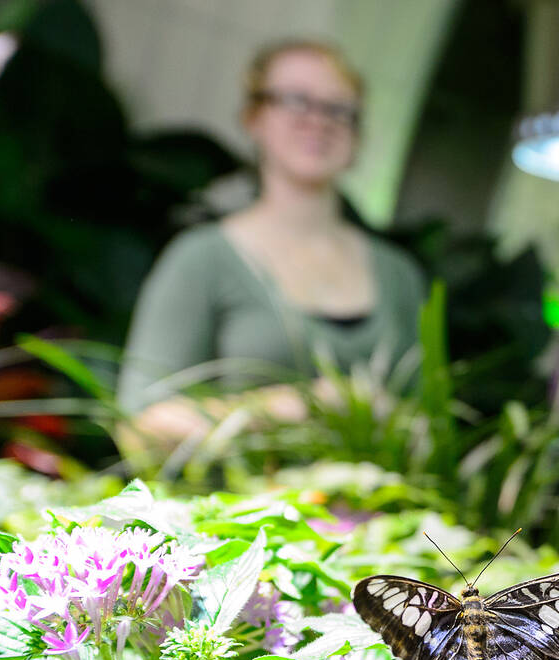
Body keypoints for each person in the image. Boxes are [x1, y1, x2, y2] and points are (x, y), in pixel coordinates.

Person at [118, 40, 426, 422]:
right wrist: (291, 408)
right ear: (254, 117)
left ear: (357, 133)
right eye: (296, 100)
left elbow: (425, 418)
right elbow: (140, 422)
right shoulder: (202, 257)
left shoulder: (398, 273)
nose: (319, 119)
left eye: (339, 109)